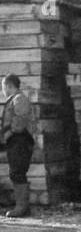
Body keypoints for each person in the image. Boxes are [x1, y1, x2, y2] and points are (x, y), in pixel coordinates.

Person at [1, 74, 36, 218]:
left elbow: (19, 122)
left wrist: (6, 135)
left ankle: (21, 207)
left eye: (3, 86)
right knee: (16, 171)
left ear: (9, 86)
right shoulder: (13, 100)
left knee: (17, 172)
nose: (2, 90)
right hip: (15, 141)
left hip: (19, 140)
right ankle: (22, 206)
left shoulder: (19, 99)